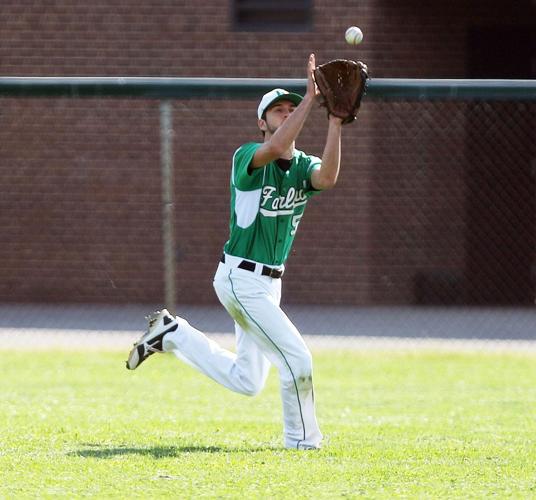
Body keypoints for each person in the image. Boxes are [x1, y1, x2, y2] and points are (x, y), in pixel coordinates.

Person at [126, 53, 345, 450]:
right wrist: (312, 100)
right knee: (297, 359)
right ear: (262, 123)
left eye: (290, 109)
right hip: (240, 278)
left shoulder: (302, 166)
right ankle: (303, 443)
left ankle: (174, 334)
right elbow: (278, 145)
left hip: (268, 284)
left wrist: (334, 122)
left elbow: (327, 177)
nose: (286, 114)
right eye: (277, 111)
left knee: (248, 381)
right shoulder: (246, 156)